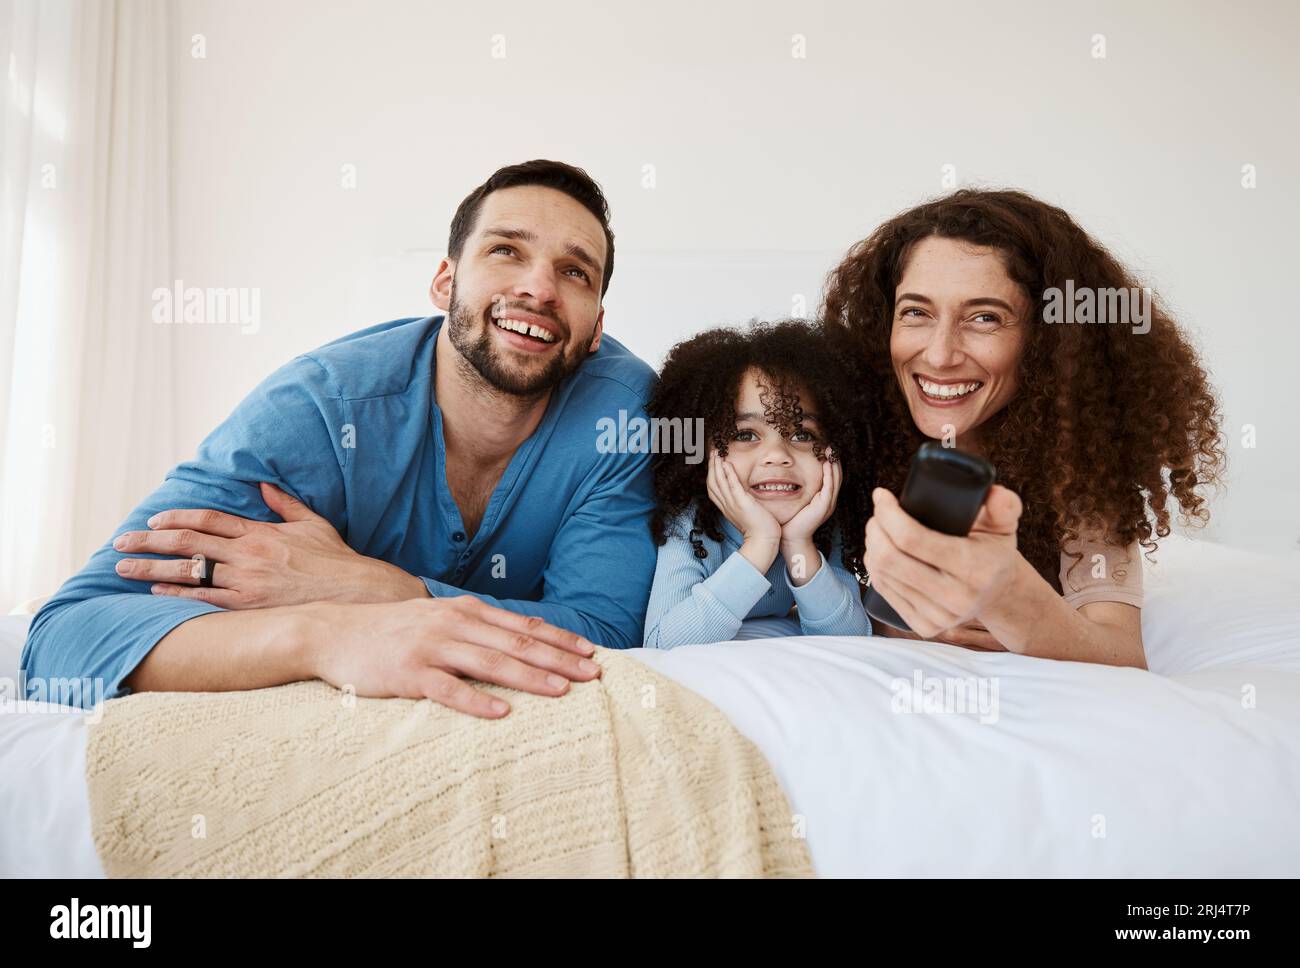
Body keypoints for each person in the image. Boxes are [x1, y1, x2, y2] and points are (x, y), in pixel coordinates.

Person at [22, 160, 658, 717]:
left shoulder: (622, 414)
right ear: (445, 282)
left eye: (575, 272)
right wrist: (323, 634)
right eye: (506, 251)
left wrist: (377, 590)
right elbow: (60, 643)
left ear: (596, 325)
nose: (539, 289)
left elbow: (602, 630)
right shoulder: (320, 407)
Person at [823, 188, 1225, 668]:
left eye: (985, 317)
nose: (939, 354)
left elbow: (1121, 653)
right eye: (916, 312)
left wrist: (1009, 598)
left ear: (1045, 342)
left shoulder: (1075, 462)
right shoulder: (837, 432)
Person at [643, 321, 875, 648]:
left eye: (802, 435)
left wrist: (798, 544)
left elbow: (852, 640)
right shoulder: (693, 523)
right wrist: (760, 542)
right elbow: (663, 645)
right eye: (746, 435)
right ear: (703, 449)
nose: (777, 456)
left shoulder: (821, 523)